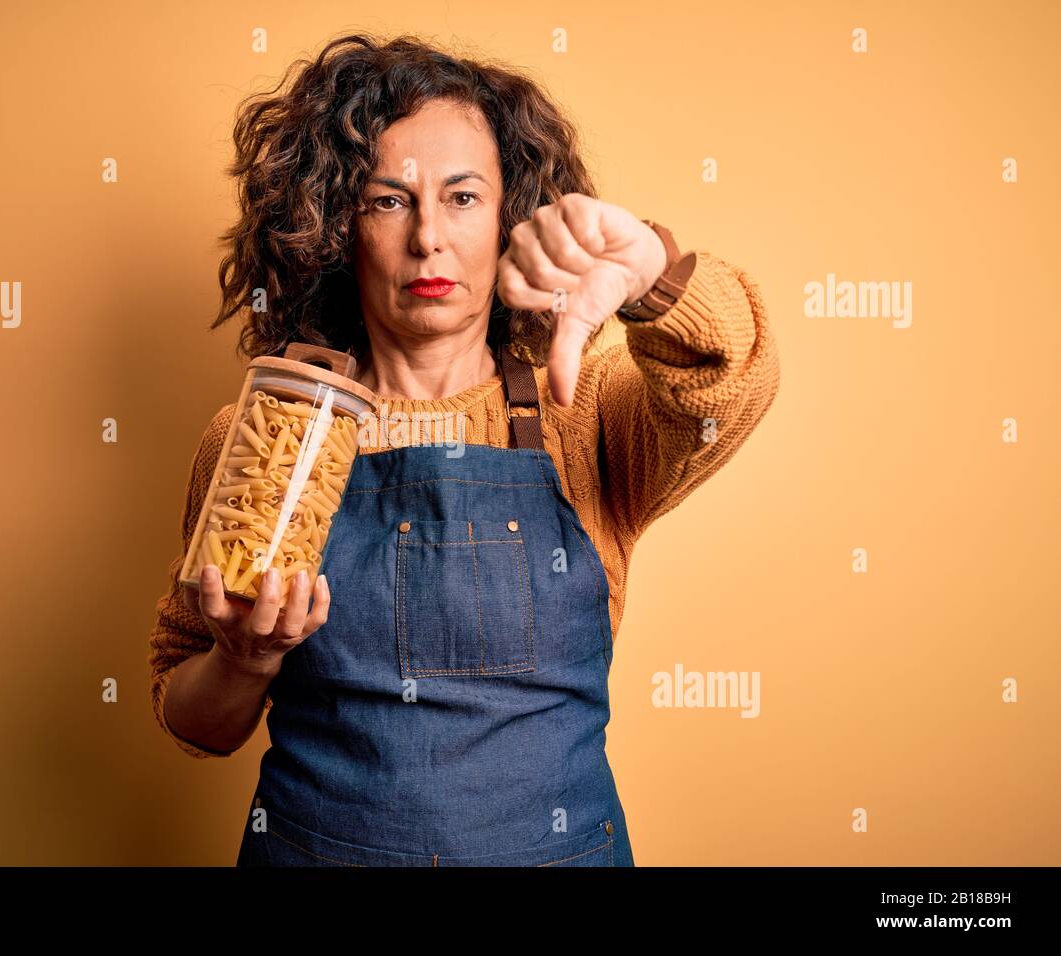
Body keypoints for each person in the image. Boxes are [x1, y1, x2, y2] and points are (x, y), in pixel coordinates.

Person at [148, 32, 780, 866]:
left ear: (510, 217)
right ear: (336, 225)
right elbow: (195, 719)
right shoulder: (263, 438)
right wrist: (242, 657)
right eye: (387, 200)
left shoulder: (582, 413)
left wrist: (655, 270)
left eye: (463, 198)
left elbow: (732, 380)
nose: (428, 240)